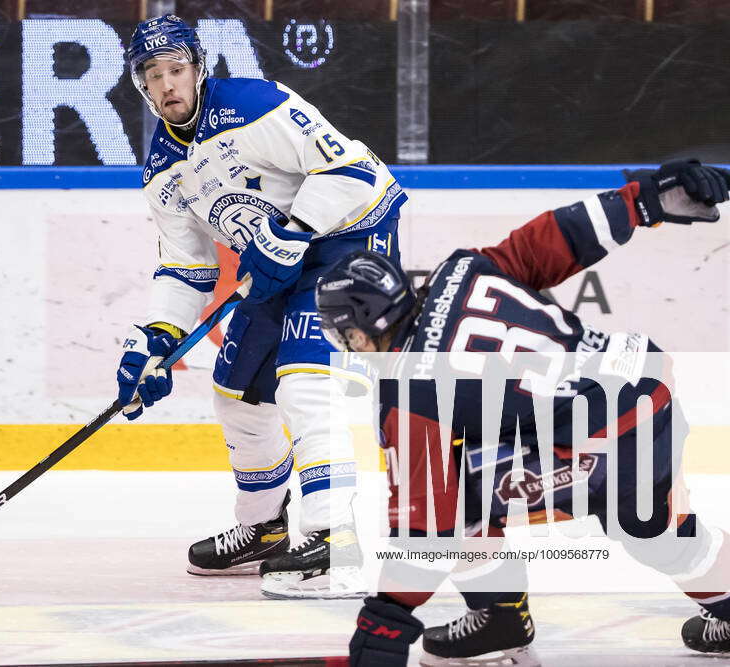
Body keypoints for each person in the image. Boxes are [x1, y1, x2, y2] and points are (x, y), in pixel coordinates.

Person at [313, 160, 730, 665]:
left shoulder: (410, 394)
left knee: (459, 491)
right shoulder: (461, 270)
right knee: (652, 528)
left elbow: (427, 530)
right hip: (648, 383)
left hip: (608, 439)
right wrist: (642, 201)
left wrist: (388, 618)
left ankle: (501, 619)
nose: (347, 345)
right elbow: (555, 237)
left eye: (343, 333)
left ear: (360, 330)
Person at [115, 14, 407, 598]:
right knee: (239, 391)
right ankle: (264, 531)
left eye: (177, 70)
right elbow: (185, 266)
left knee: (304, 380)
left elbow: (355, 172)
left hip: (350, 238)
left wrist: (293, 230)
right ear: (141, 87)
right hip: (279, 263)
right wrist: (154, 337)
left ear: (197, 70)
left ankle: (333, 542)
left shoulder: (255, 104)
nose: (168, 85)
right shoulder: (160, 171)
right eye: (154, 76)